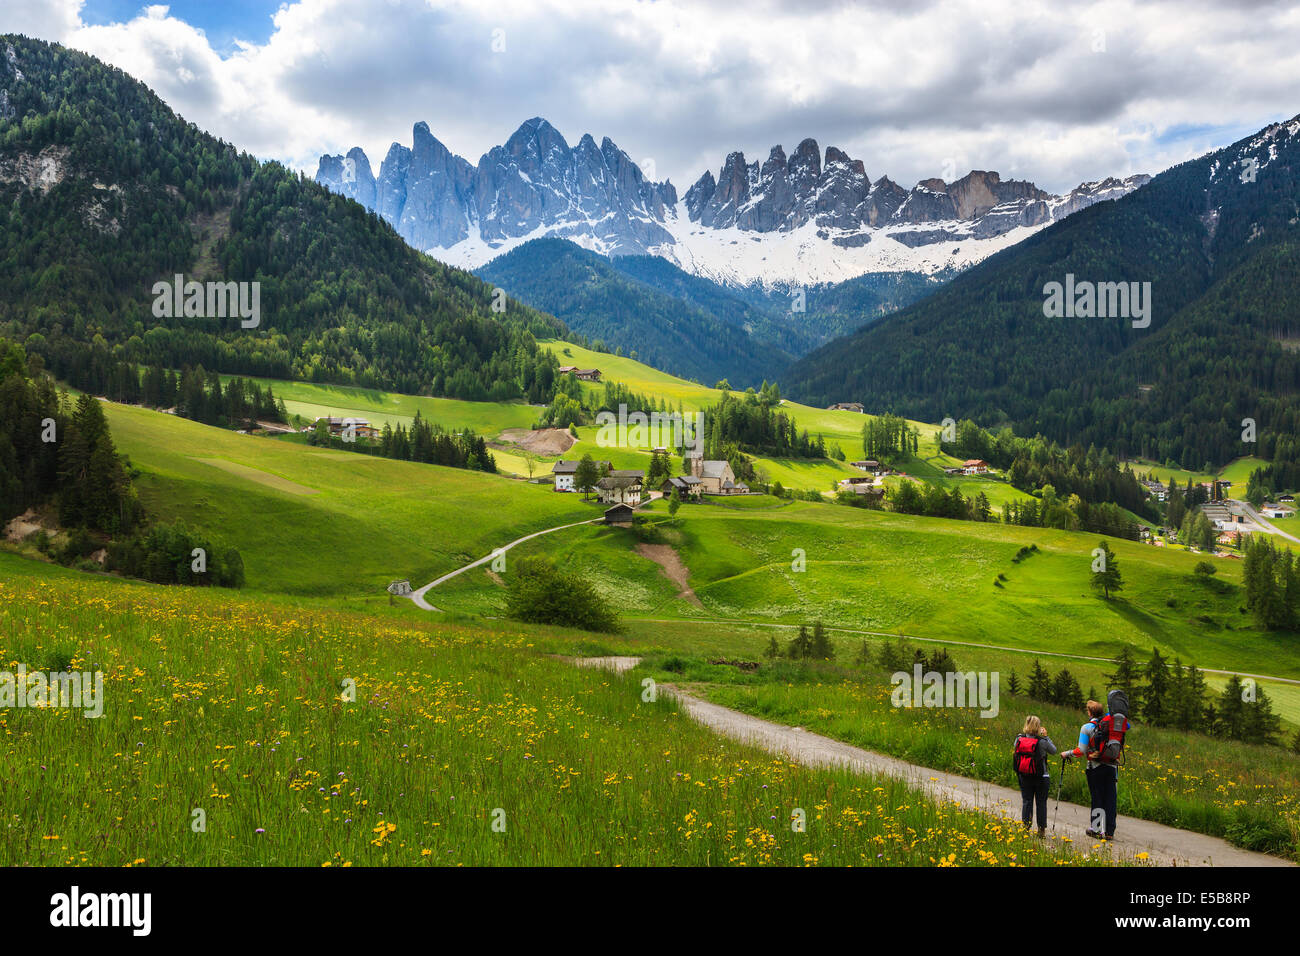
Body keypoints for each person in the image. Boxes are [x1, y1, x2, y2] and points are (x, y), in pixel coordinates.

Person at [1061, 699, 1129, 840]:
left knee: (1097, 798)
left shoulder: (1086, 728)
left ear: (1089, 712)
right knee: (1110, 798)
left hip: (1095, 767)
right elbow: (1125, 727)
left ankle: (1097, 829)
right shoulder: (1110, 725)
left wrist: (1067, 753)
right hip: (1112, 766)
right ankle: (1110, 832)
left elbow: (1081, 750)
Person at [1011, 715, 1057, 836]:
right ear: (1038, 727)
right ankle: (1041, 830)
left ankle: (1025, 827)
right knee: (1041, 802)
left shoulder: (1019, 739)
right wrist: (1046, 736)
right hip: (1041, 776)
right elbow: (1053, 750)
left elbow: (1016, 750)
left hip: (1024, 774)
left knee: (1027, 801)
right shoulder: (1042, 742)